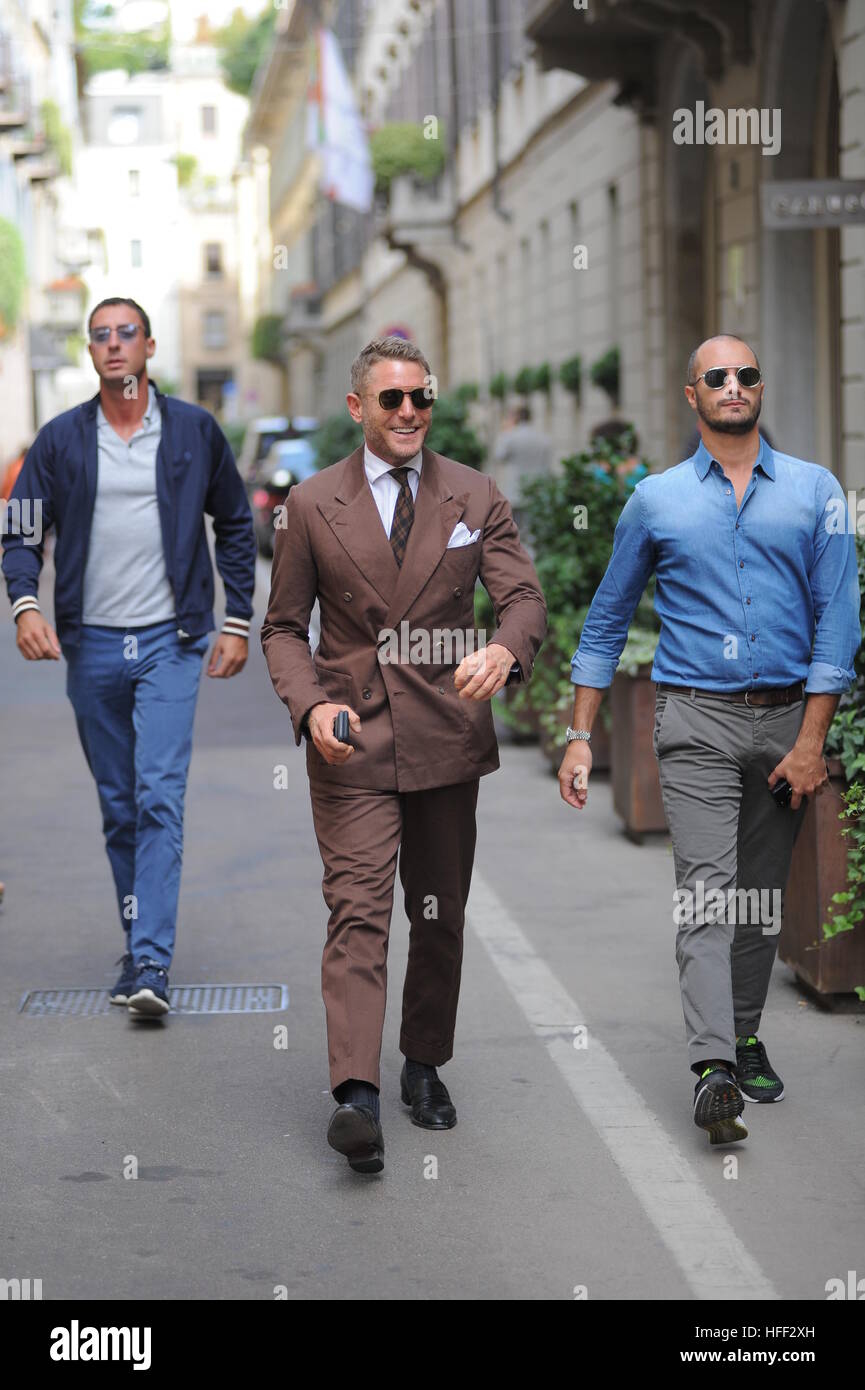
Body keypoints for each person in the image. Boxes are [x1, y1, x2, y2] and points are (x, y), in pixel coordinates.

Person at [556, 334, 860, 1146]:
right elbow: (606, 619)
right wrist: (579, 734)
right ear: (691, 395)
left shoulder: (814, 490)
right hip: (694, 717)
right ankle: (711, 1069)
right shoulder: (655, 500)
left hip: (788, 716)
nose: (733, 384)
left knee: (759, 896)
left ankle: (744, 1034)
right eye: (716, 376)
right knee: (706, 890)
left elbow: (839, 617)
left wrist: (810, 740)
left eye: (746, 373)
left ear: (760, 388)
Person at [261, 336, 547, 1174]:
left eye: (421, 398)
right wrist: (311, 706)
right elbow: (282, 628)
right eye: (392, 400)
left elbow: (522, 597)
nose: (410, 412)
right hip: (348, 739)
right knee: (356, 915)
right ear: (359, 409)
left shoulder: (473, 492)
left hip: (445, 735)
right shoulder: (312, 505)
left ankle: (423, 1063)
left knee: (437, 916)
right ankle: (355, 1094)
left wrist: (504, 651)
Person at [2, 296, 256, 1017]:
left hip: (171, 643)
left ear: (148, 347)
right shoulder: (59, 441)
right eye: (100, 336)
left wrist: (236, 620)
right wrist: (25, 604)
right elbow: (19, 530)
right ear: (90, 354)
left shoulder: (193, 432)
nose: (113, 345)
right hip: (91, 645)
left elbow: (235, 524)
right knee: (118, 805)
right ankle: (136, 938)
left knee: (157, 795)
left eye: (126, 333)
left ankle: (149, 962)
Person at [492, 404, 552, 533]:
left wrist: (504, 432)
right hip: (537, 488)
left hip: (516, 488)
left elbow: (498, 455)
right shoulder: (543, 438)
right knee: (533, 530)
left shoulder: (511, 436)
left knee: (515, 530)